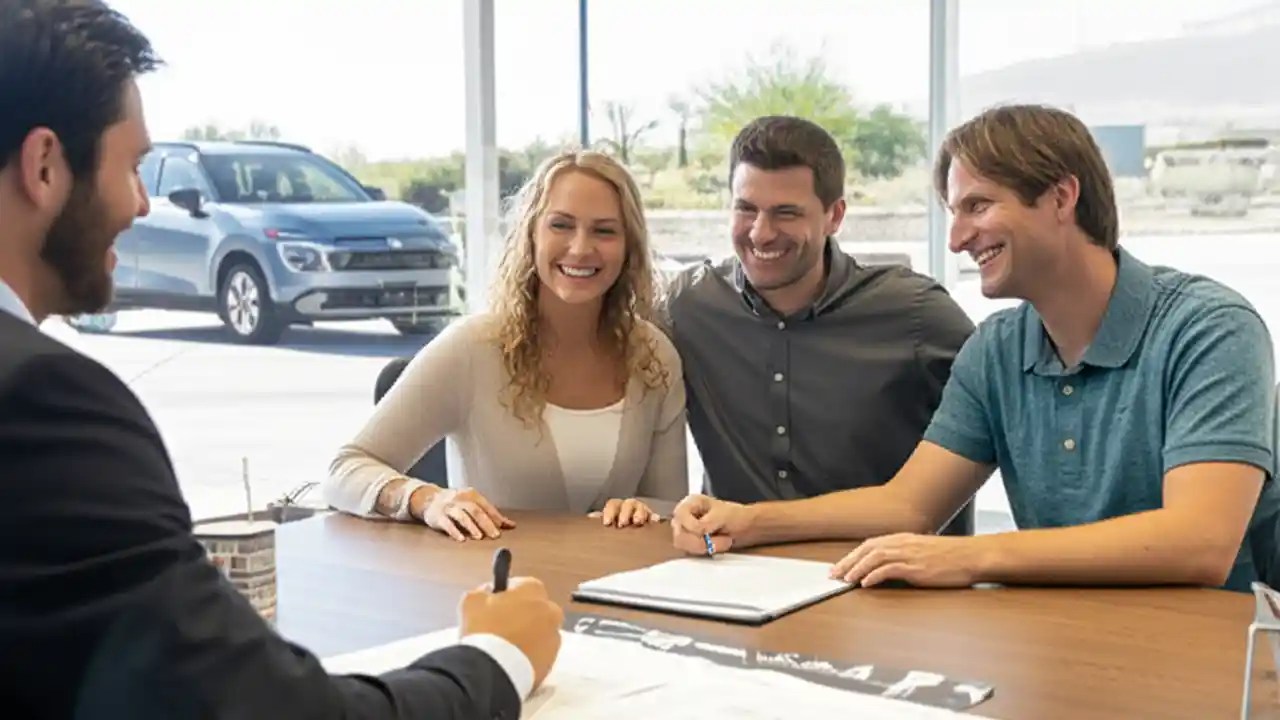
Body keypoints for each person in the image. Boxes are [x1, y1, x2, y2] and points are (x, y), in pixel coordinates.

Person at [0, 2, 562, 718]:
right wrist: (495, 655)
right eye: (134, 165)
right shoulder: (40, 399)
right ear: (45, 165)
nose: (142, 204)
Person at [671, 104, 1280, 593]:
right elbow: (908, 505)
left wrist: (972, 556)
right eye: (953, 213)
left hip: (1218, 657)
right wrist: (749, 521)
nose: (959, 237)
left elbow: (1201, 541)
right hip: (1066, 642)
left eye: (978, 206)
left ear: (1062, 198)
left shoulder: (1210, 328)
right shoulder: (997, 349)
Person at [325, 150, 687, 540]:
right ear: (531, 234)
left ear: (629, 246)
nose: (581, 248)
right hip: (495, 591)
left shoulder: (653, 356)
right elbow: (346, 469)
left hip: (610, 592)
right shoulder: (471, 348)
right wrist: (427, 500)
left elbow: (671, 507)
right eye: (561, 225)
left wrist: (644, 510)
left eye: (604, 231)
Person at [659, 115, 976, 533]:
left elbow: (1010, 413)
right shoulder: (690, 305)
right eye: (746, 208)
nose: (761, 233)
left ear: (834, 216)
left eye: (785, 213)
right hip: (736, 578)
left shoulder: (917, 313)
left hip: (885, 582)